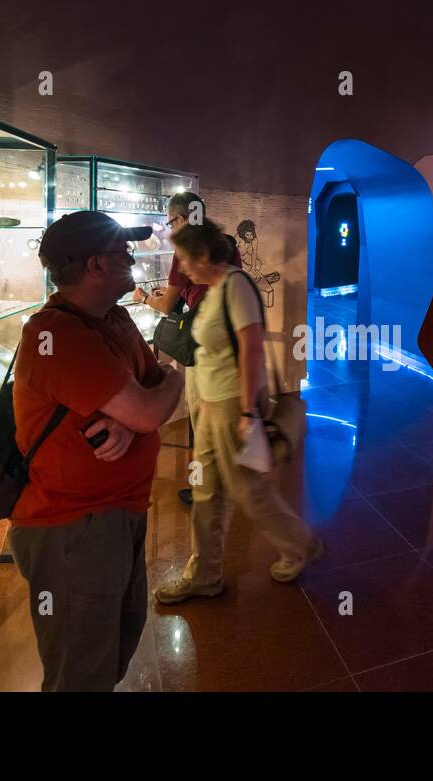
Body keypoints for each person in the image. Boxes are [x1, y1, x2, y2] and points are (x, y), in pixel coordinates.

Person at [9, 210, 185, 691]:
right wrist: (148, 407)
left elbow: (155, 390)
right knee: (80, 667)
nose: (132, 257)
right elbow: (154, 404)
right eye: (121, 251)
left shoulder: (115, 319)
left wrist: (143, 411)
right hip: (73, 526)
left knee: (115, 646)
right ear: (95, 266)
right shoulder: (59, 336)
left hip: (116, 514)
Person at [152, 218, 322, 604]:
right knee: (206, 491)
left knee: (248, 490)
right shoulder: (211, 289)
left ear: (205, 255)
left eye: (184, 257)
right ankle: (204, 575)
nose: (181, 265)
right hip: (213, 405)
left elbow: (252, 349)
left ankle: (300, 545)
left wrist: (246, 412)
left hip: (231, 405)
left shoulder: (236, 286)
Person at [130, 192, 240, 506]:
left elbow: (167, 305)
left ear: (179, 218)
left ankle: (204, 489)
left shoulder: (186, 250)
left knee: (201, 420)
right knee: (218, 418)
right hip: (227, 341)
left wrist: (144, 298)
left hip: (200, 340)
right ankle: (225, 480)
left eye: (169, 223)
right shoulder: (226, 242)